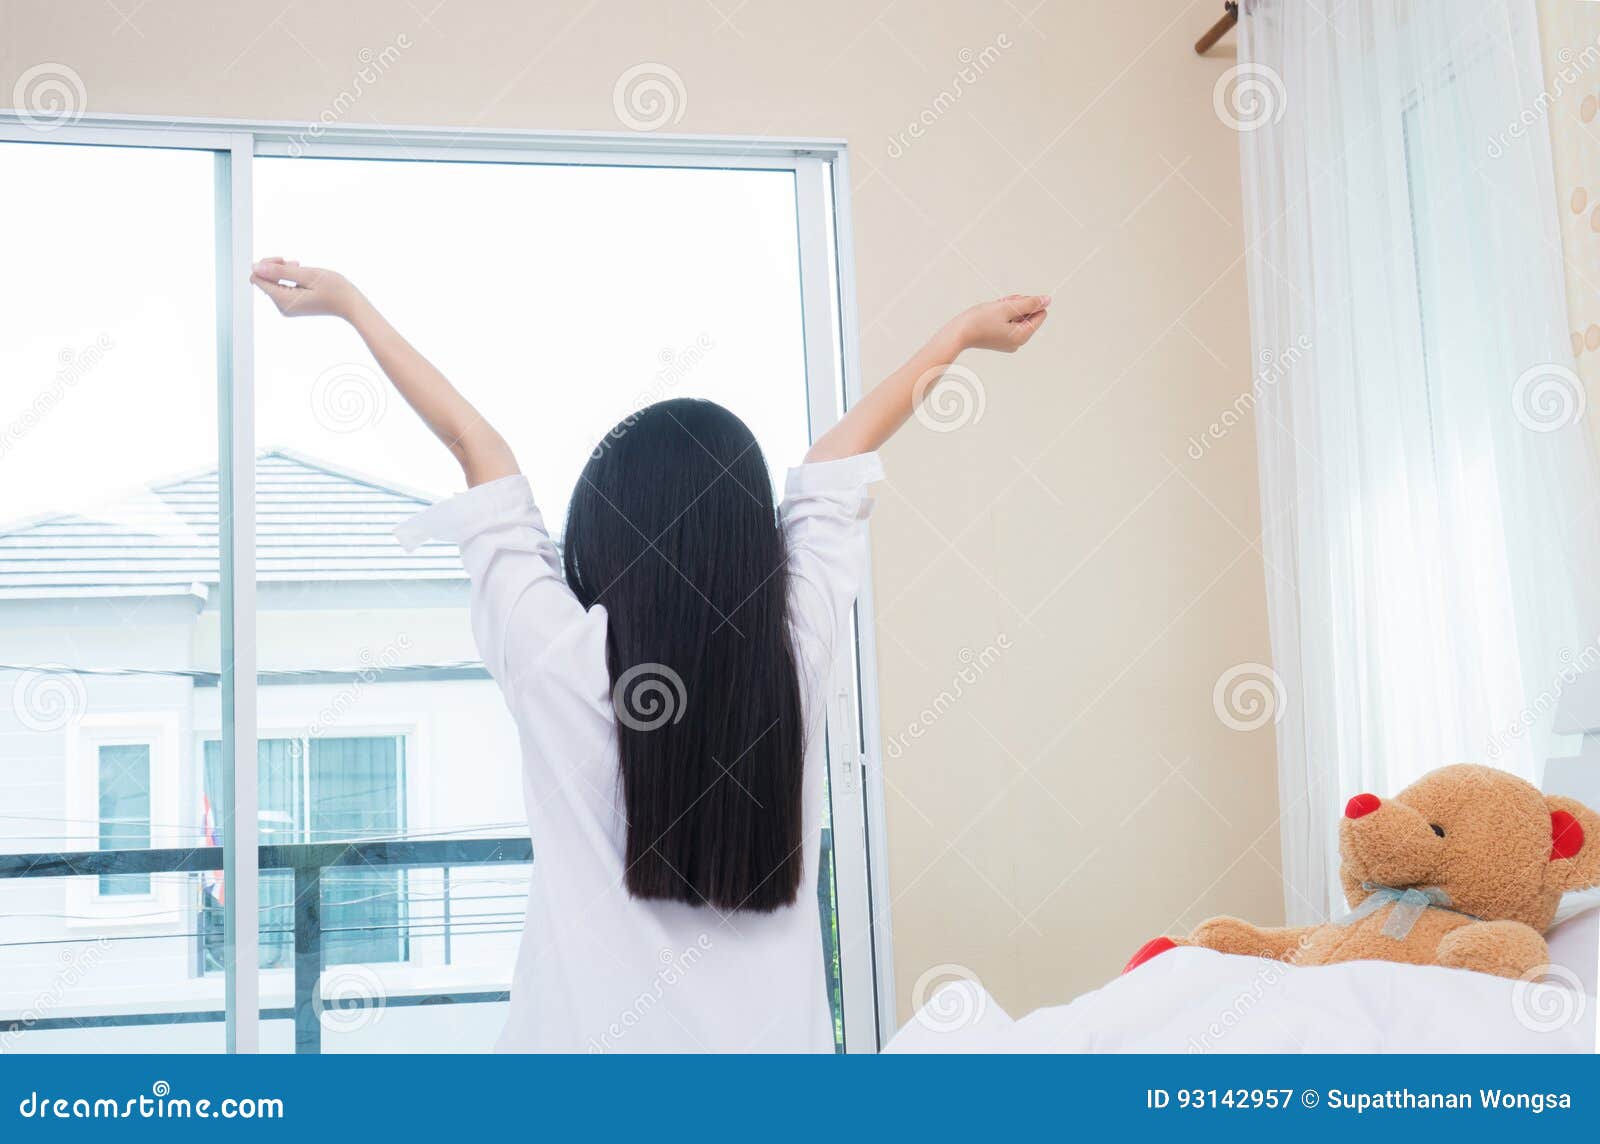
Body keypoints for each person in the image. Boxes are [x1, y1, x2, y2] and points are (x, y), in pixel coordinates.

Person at [252, 256, 1049, 1051]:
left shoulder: (558, 659)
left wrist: (354, 308)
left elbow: (475, 447)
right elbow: (831, 475)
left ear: (605, 533)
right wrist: (960, 336)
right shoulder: (794, 650)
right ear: (751, 538)